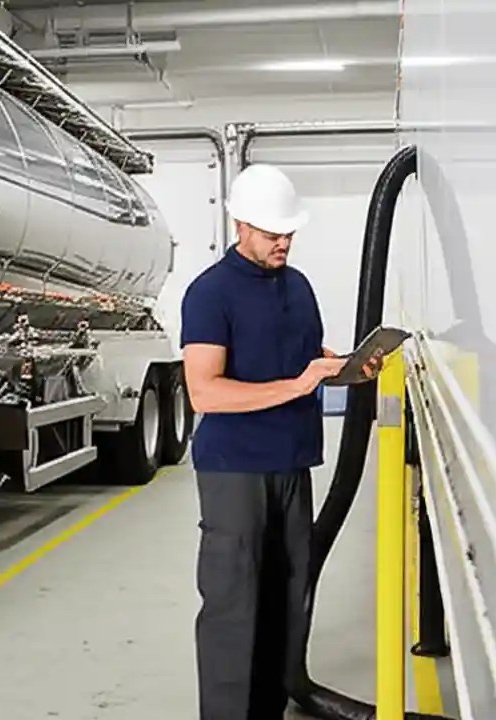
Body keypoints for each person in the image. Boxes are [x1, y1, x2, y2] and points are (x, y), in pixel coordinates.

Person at [180, 164, 381, 719]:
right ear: (241, 225)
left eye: (289, 233)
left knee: (286, 595)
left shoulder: (297, 286)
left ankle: (269, 706)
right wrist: (298, 384)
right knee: (233, 601)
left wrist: (348, 367)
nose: (283, 242)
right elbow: (205, 392)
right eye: (273, 234)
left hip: (291, 462)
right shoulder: (209, 293)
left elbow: (306, 363)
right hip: (235, 470)